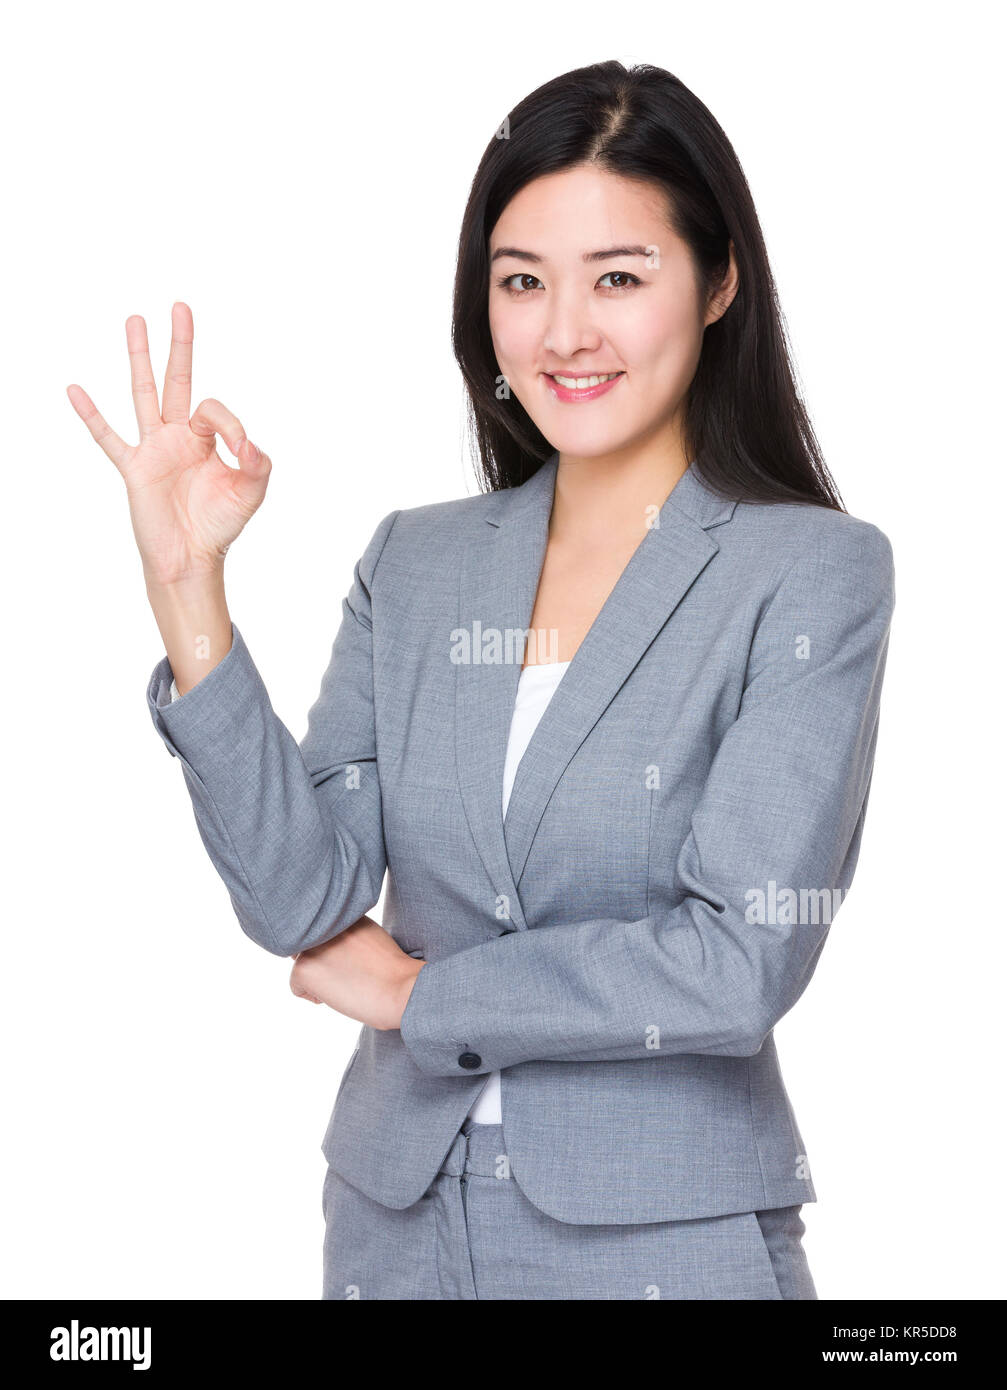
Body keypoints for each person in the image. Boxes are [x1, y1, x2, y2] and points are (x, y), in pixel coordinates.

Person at [68, 60, 895, 1300]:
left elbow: (736, 963)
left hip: (658, 1239)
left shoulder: (809, 573)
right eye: (522, 281)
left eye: (618, 276)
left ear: (718, 281)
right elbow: (305, 899)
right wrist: (190, 594)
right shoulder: (418, 561)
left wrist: (421, 993)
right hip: (393, 1224)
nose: (562, 331)